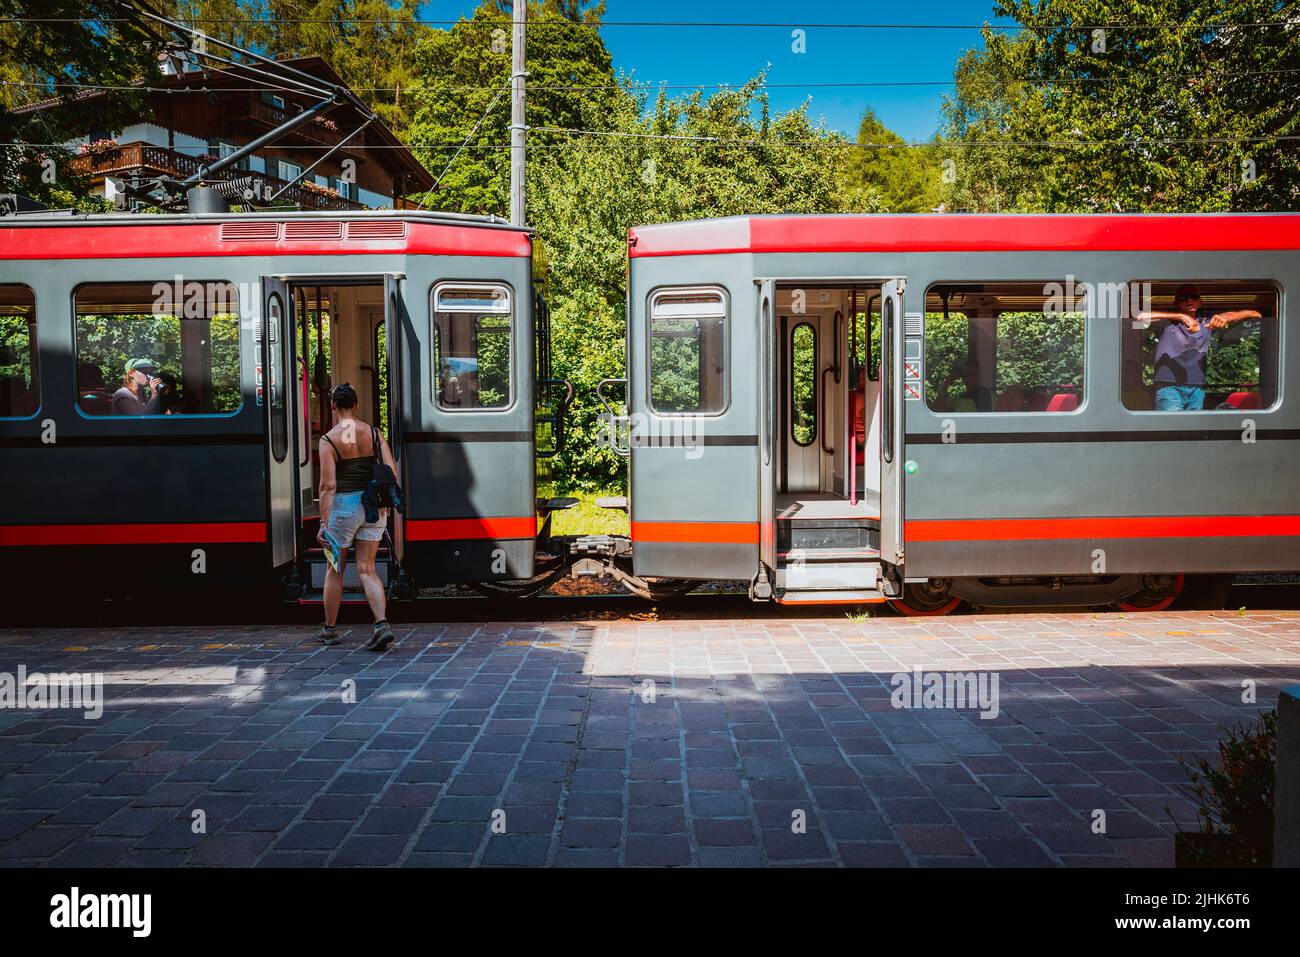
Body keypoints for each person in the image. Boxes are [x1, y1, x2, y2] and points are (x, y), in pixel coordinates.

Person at [317, 382, 397, 651]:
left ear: (333, 406)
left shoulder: (329, 439)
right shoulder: (374, 434)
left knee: (335, 569)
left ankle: (329, 629)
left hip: (343, 510)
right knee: (367, 568)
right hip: (373, 508)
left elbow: (328, 486)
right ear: (356, 404)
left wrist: (323, 523)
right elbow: (391, 472)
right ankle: (381, 624)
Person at [1136, 284, 1261, 411]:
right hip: (1169, 387)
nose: (1189, 300)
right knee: (1173, 428)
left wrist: (1226, 317)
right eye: (1184, 298)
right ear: (1176, 303)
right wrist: (1180, 316)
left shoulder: (1207, 323)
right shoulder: (1166, 323)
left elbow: (1255, 314)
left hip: (1197, 388)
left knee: (1193, 428)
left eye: (1193, 297)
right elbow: (1138, 317)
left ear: (1200, 302)